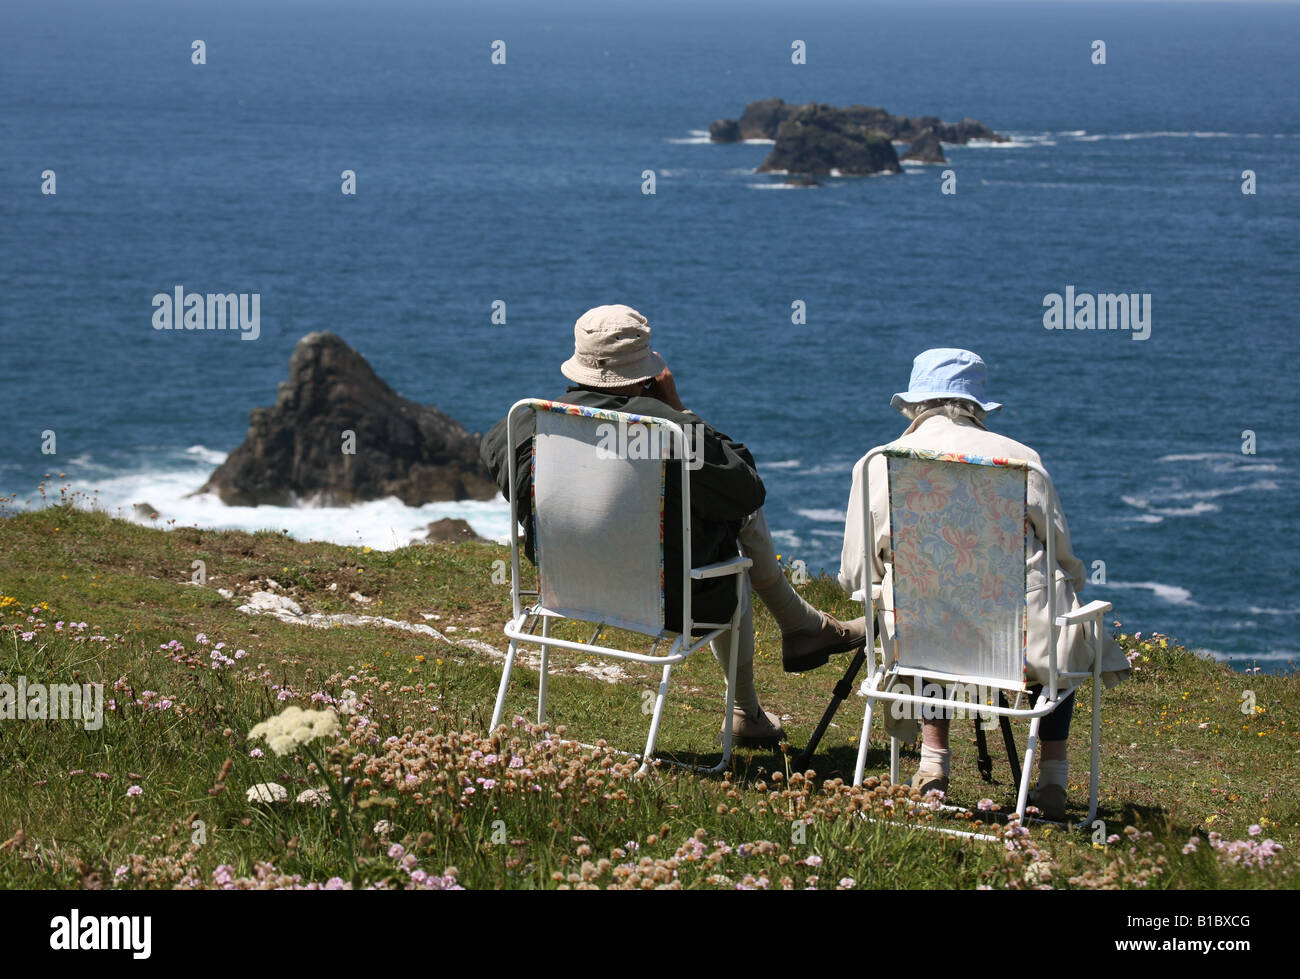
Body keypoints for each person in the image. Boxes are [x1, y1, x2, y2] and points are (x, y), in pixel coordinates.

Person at [481, 304, 865, 746]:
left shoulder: (528, 419)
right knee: (734, 547)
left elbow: (501, 464)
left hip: (564, 587)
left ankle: (800, 630)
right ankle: (758, 691)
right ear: (649, 371)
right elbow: (747, 488)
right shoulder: (668, 430)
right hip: (670, 603)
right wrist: (679, 409)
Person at [837, 348, 1129, 820]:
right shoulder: (1021, 460)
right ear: (976, 407)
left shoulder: (877, 462)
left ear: (915, 406)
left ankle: (932, 764)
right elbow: (1061, 553)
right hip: (1018, 641)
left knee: (926, 611)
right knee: (1059, 623)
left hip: (919, 634)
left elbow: (856, 573)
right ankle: (1053, 778)